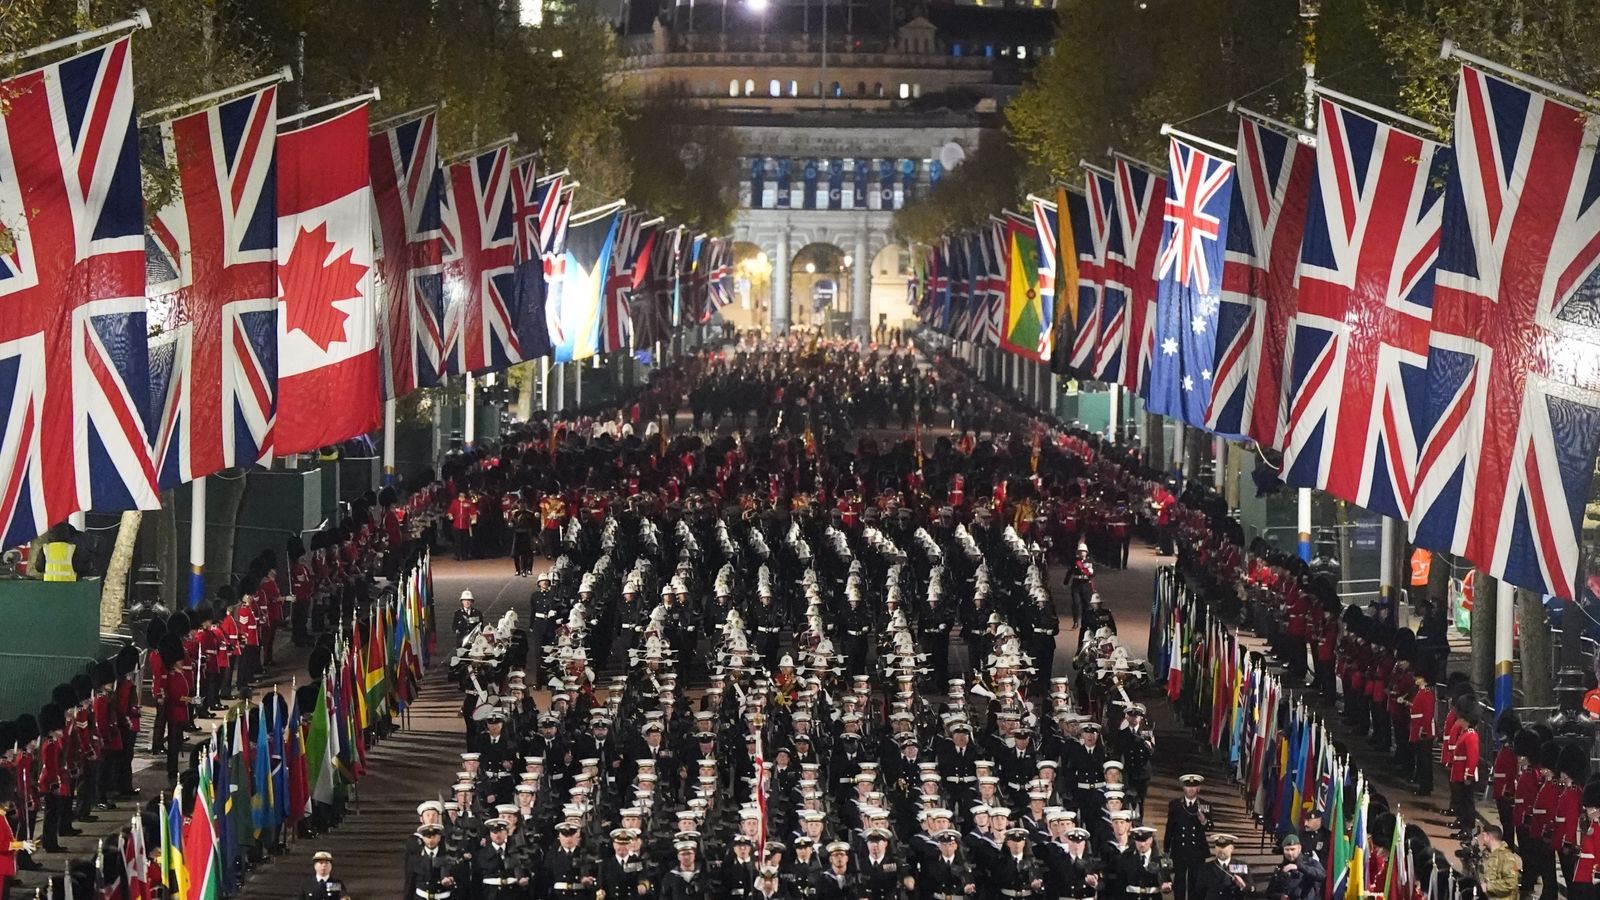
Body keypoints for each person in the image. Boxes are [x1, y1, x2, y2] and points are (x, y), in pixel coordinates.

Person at [1165, 775, 1211, 900]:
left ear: (1198, 788)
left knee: (1195, 881)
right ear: (1183, 788)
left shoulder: (1205, 805)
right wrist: (1166, 849)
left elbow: (1210, 827)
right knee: (1179, 880)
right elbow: (1170, 828)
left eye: (1194, 787)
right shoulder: (1175, 805)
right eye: (1187, 787)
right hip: (1180, 848)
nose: (1190, 790)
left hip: (1197, 850)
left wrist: (1204, 821)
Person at [1264, 834, 1323, 900]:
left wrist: (1300, 867)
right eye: (1287, 850)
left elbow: (1321, 875)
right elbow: (1269, 893)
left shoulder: (1309, 862)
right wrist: (1280, 897)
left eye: (1293, 849)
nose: (1290, 853)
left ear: (1299, 848)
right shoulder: (1280, 868)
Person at [1193, 835, 1248, 900]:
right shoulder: (1206, 868)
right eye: (1218, 847)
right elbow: (1199, 891)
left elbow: (1252, 888)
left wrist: (1244, 886)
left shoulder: (1241, 866)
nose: (1220, 850)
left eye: (1223, 847)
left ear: (1231, 848)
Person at [1477, 826, 1521, 900]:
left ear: (1489, 837)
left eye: (1483, 835)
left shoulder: (1507, 857)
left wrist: (1488, 886)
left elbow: (1511, 883)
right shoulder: (1487, 853)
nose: (1481, 839)